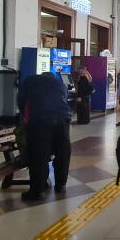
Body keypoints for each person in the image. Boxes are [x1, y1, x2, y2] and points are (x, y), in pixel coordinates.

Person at [17, 72, 72, 201]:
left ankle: (37, 191)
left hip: (40, 121)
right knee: (63, 153)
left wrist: (25, 117)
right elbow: (64, 99)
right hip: (63, 120)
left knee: (39, 155)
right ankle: (61, 185)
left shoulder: (30, 80)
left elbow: (21, 100)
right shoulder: (60, 84)